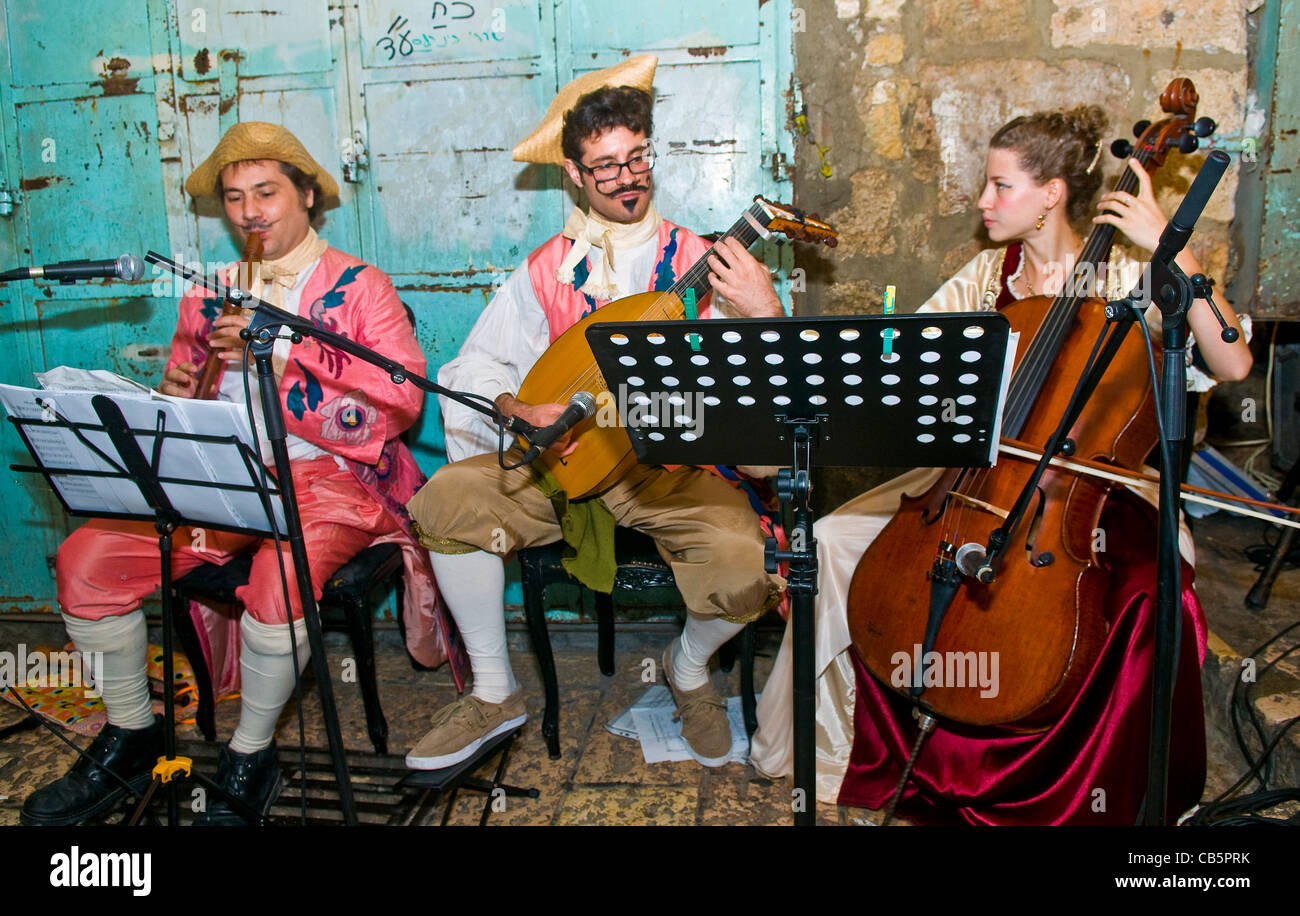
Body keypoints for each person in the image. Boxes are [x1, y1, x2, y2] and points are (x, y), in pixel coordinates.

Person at [749, 105, 1252, 824]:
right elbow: (901, 365)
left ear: (1051, 193)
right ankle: (833, 746)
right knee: (830, 541)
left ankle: (1100, 793)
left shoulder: (1133, 279)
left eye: (999, 186)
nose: (983, 202)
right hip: (973, 484)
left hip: (1094, 498)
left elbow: (1232, 361)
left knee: (1147, 594)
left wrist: (1176, 255)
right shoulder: (987, 277)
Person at [21, 122, 461, 826]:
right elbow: (175, 397)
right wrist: (192, 375)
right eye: (234, 198)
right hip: (215, 477)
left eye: (267, 192)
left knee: (279, 581)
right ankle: (132, 735)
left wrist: (279, 360)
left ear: (307, 195)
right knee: (87, 559)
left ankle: (252, 758)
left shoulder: (359, 286)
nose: (251, 212)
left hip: (332, 477)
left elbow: (402, 401)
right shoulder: (210, 291)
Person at [405, 56, 786, 770]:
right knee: (444, 500)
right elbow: (475, 366)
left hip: (672, 471)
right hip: (569, 463)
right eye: (604, 166)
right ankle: (493, 692)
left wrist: (764, 311)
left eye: (636, 157)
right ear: (575, 175)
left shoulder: (702, 261)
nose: (626, 177)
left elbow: (770, 398)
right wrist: (518, 404)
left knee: (745, 569)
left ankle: (688, 669)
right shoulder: (548, 266)